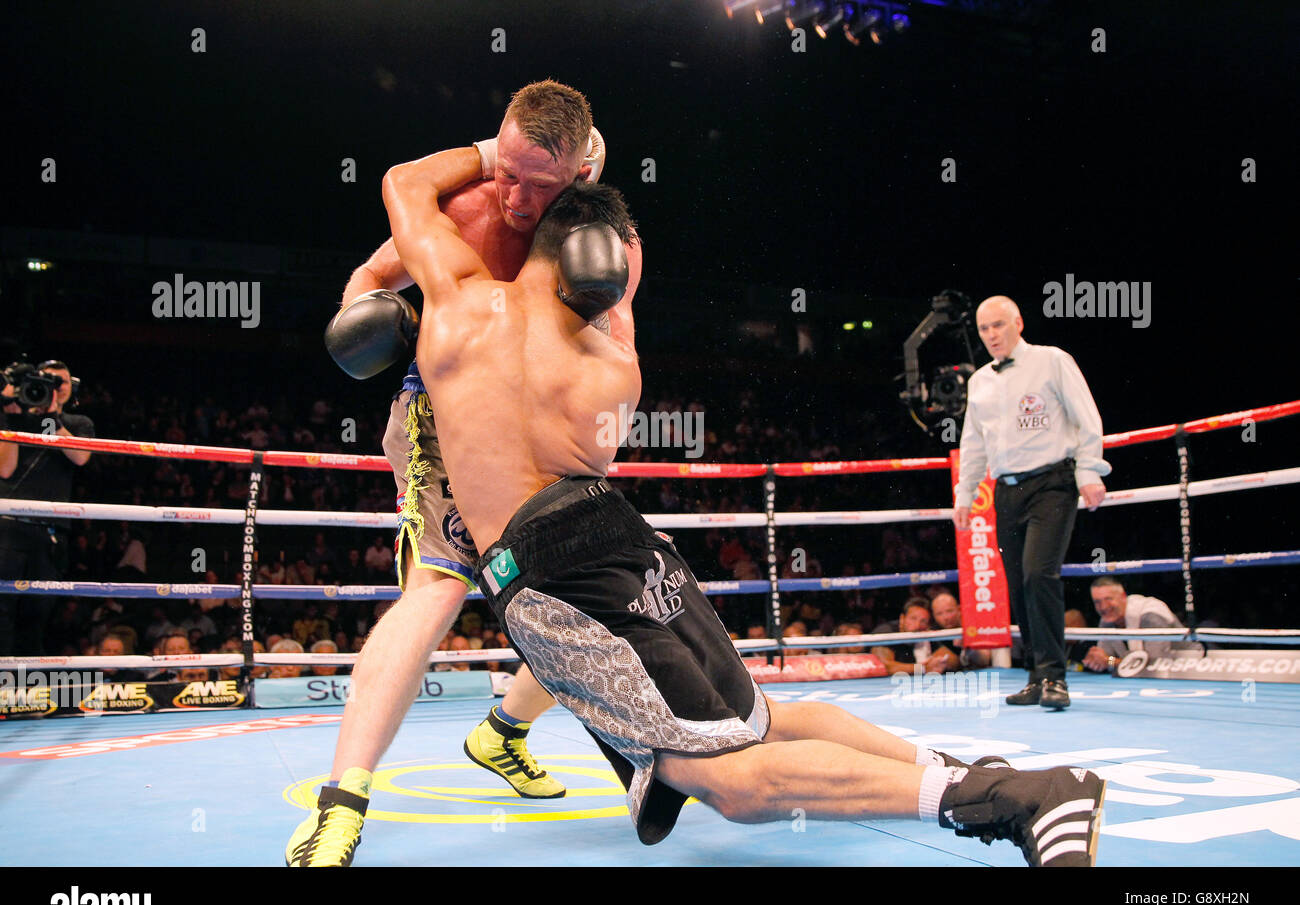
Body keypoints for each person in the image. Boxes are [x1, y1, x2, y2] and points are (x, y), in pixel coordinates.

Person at [284, 156, 1106, 867]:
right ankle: (964, 768)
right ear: (604, 262)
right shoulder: (614, 355)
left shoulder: (456, 306)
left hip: (551, 578)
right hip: (630, 542)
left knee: (727, 782)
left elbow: (401, 187)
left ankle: (1014, 800)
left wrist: (491, 165)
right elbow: (610, 306)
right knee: (761, 719)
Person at [296, 83, 632, 843]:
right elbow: (371, 278)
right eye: (505, 170)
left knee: (580, 604)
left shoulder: (597, 238)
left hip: (541, 426)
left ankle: (502, 734)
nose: (515, 196)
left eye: (537, 183)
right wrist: (366, 320)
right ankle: (343, 801)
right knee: (438, 591)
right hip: (443, 420)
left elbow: (619, 351)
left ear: (577, 174)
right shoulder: (468, 208)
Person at [953, 296, 1110, 710]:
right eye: (984, 329)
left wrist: (1090, 470)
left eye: (998, 326)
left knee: (1039, 573)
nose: (991, 335)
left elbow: (1086, 416)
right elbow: (972, 444)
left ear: (1018, 323)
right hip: (1006, 490)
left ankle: (1056, 677)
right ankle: (1036, 676)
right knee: (1019, 585)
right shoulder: (980, 381)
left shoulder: (1052, 360)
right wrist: (964, 495)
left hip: (1053, 481)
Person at [1, 360, 94, 654]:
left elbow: (80, 457)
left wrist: (52, 415)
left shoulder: (78, 424)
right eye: (47, 381)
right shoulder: (10, 418)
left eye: (61, 382)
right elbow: (5, 470)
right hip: (7, 528)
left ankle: (28, 693)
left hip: (49, 531)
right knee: (1, 611)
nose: (54, 387)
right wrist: (10, 419)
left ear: (71, 388)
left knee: (38, 613)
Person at [1082, 576, 1194, 671]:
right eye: (1097, 602)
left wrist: (1110, 661)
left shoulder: (1151, 616)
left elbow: (1154, 665)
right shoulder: (1108, 619)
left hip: (1191, 667)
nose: (1104, 607)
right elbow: (1106, 658)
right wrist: (1094, 659)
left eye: (1108, 599)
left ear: (1123, 597)